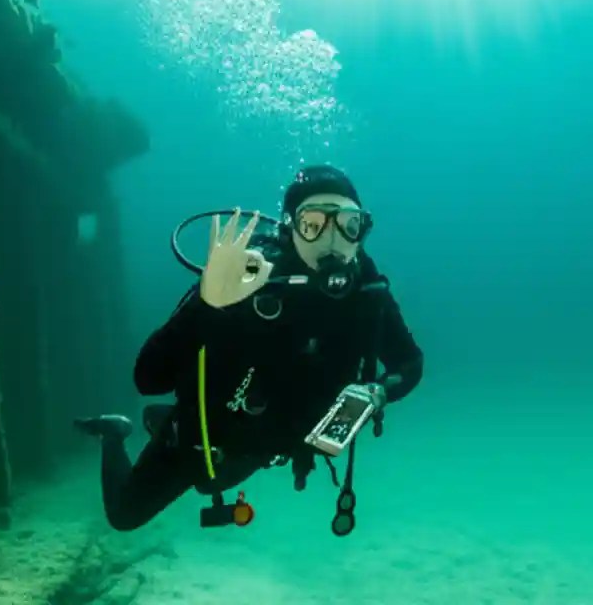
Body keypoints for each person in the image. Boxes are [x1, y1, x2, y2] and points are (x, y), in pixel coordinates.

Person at [75, 164, 424, 532]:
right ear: (291, 227)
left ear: (362, 230)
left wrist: (378, 391)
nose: (332, 240)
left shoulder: (368, 296)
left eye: (349, 224)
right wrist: (208, 304)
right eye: (313, 223)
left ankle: (159, 421)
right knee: (125, 516)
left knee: (216, 481)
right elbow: (147, 377)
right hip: (213, 432)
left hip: (267, 444)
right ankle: (116, 434)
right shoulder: (247, 278)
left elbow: (410, 362)